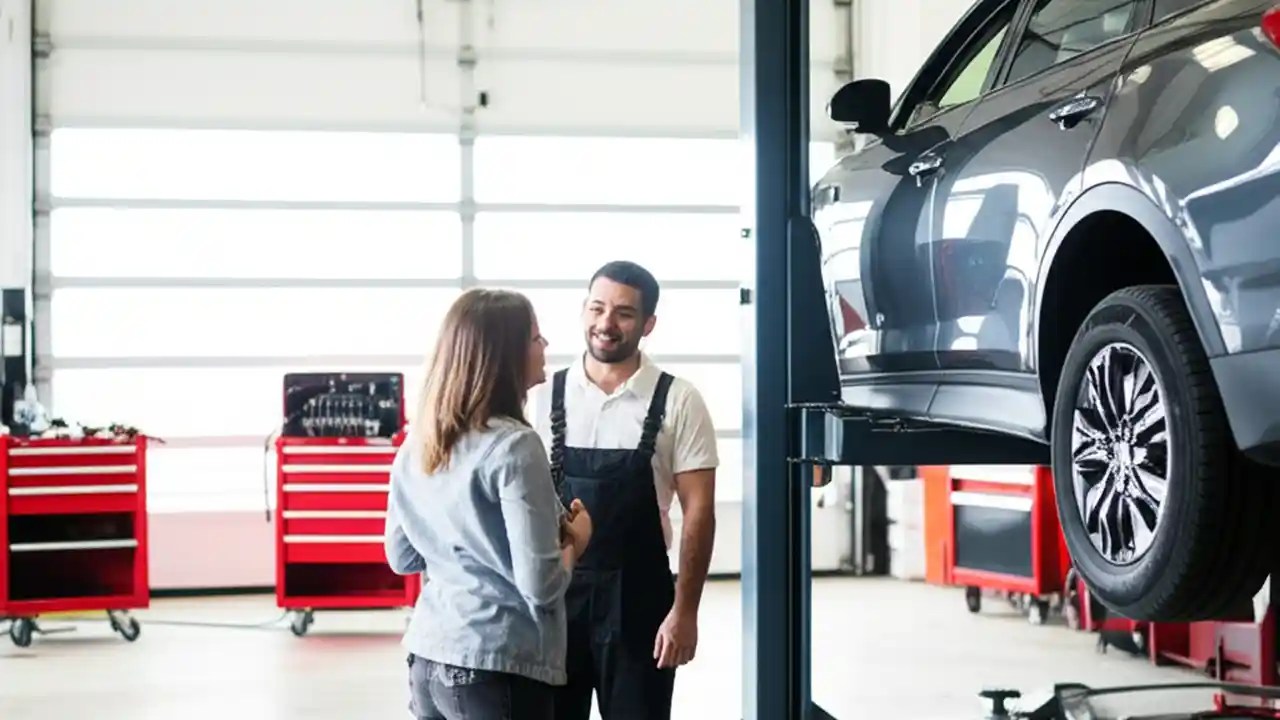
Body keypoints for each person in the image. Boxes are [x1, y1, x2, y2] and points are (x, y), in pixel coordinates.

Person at [384, 287, 595, 720]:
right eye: (536, 337)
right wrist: (577, 542)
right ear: (506, 354)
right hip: (497, 664)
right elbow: (541, 586)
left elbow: (402, 557)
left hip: (429, 659)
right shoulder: (516, 445)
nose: (545, 346)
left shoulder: (419, 442)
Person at [534, 261, 719, 720]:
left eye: (623, 313)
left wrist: (685, 612)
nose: (606, 324)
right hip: (558, 599)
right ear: (583, 311)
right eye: (597, 308)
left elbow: (699, 511)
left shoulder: (678, 399)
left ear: (648, 324)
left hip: (641, 604)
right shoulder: (545, 394)